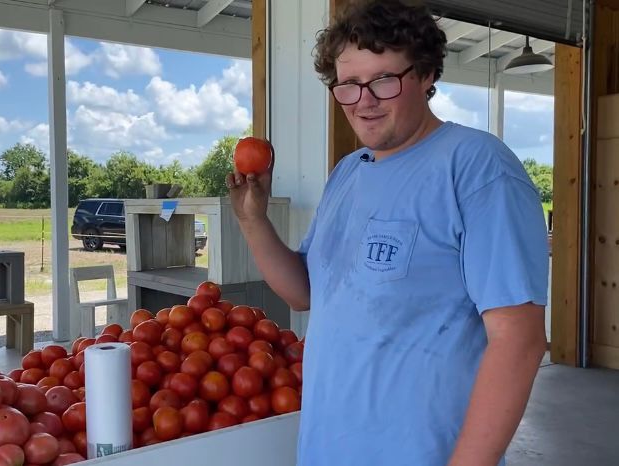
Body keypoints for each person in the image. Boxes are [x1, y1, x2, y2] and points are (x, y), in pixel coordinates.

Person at [225, 1, 549, 465]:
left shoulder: (477, 167)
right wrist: (252, 219)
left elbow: (518, 339)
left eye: (383, 80)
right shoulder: (347, 173)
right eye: (349, 86)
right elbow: (304, 294)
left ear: (426, 74)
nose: (365, 101)